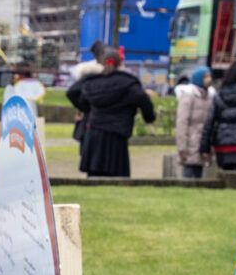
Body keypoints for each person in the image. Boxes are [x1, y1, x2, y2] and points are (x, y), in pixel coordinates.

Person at [66, 40, 155, 179]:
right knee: (117, 176)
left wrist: (85, 109)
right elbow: (143, 99)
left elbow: (72, 92)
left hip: (94, 133)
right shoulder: (128, 83)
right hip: (117, 135)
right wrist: (149, 117)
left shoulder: (92, 82)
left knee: (94, 175)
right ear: (120, 63)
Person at [174, 66, 210, 180]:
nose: (209, 79)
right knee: (189, 174)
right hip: (190, 143)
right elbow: (182, 123)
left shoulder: (209, 97)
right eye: (206, 77)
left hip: (201, 144)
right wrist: (182, 148)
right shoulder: (188, 97)